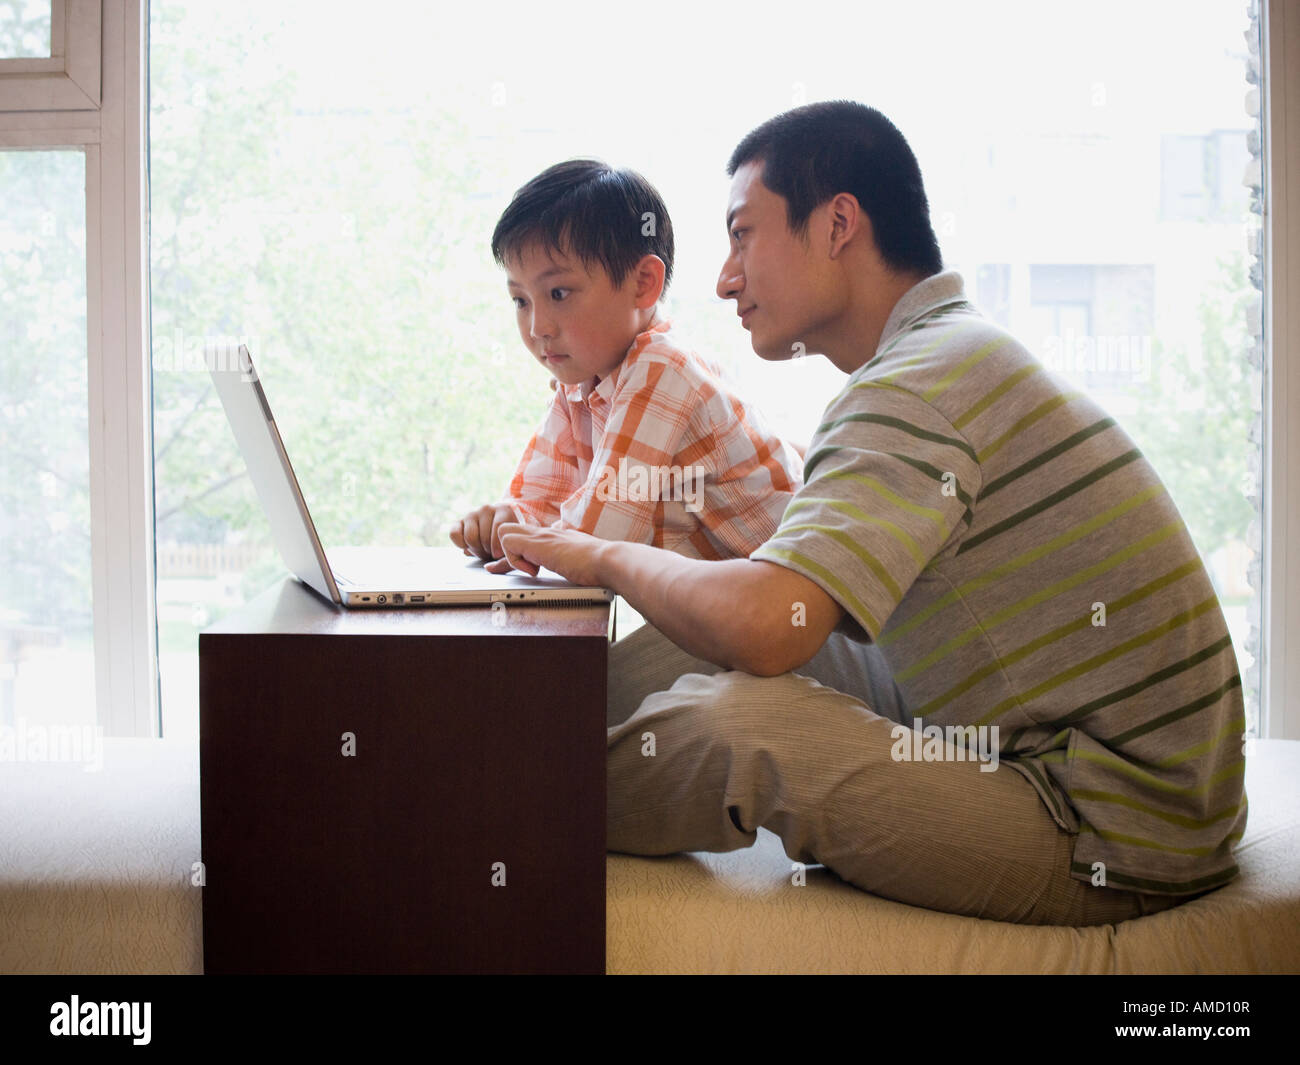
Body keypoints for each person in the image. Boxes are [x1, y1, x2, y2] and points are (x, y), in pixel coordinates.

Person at [493, 102, 1248, 927]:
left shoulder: (919, 385)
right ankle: (509, 732)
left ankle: (490, 800)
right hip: (1025, 740)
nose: (723, 277)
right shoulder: (940, 358)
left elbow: (768, 626)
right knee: (694, 627)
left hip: (1114, 823)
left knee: (751, 725)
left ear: (837, 224)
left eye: (743, 235)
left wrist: (597, 556)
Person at [450, 159, 802, 567]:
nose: (537, 327)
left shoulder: (663, 369)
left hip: (783, 604)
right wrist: (505, 521)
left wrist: (524, 539)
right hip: (715, 599)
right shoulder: (580, 383)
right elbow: (542, 500)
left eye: (559, 293)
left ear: (643, 283)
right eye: (520, 300)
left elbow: (596, 543)